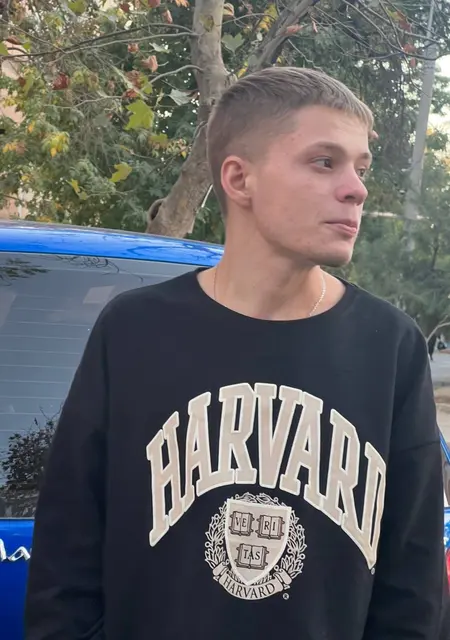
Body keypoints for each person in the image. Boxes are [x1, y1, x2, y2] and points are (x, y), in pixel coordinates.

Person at [25, 67, 448, 640]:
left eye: (360, 167)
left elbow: (413, 587)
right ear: (239, 178)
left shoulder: (390, 345)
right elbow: (64, 565)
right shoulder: (134, 331)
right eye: (325, 162)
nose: (356, 189)